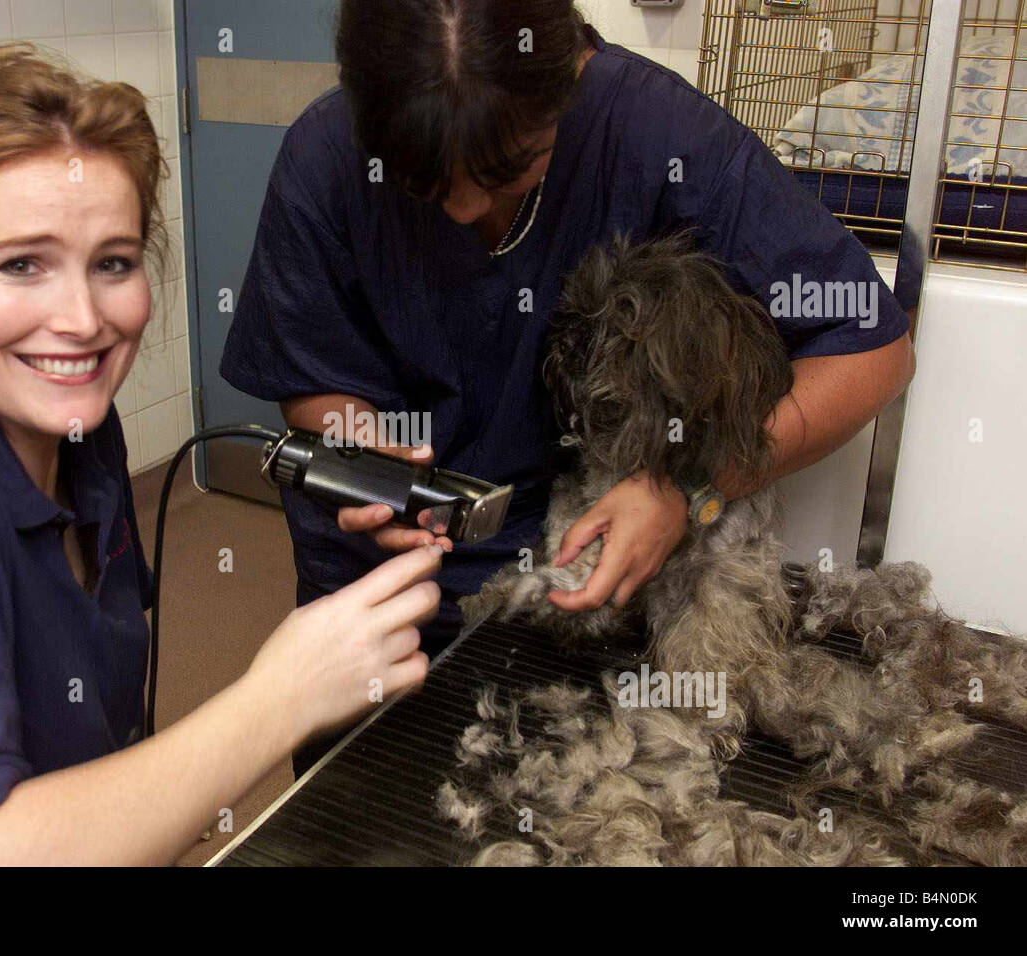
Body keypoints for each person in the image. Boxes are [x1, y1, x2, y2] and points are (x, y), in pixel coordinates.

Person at [0, 44, 436, 866]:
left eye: (112, 263)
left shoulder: (82, 438)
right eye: (20, 265)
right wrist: (279, 700)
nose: (82, 319)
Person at [219, 0, 916, 776]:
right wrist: (357, 445)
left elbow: (874, 353)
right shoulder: (325, 154)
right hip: (370, 596)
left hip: (568, 598)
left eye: (510, 165)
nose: (463, 208)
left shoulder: (655, 135)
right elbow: (310, 379)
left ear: (569, 81)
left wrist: (690, 487)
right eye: (422, 180)